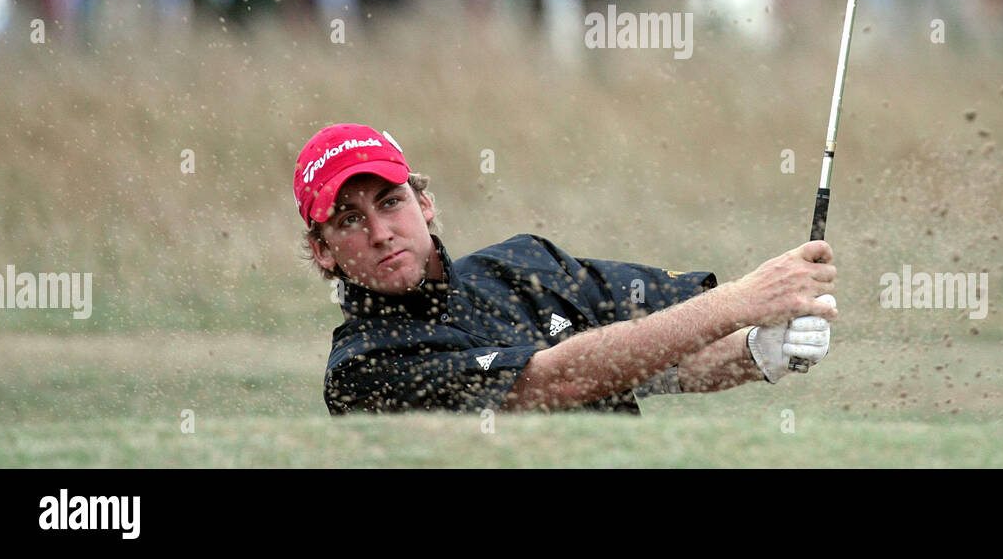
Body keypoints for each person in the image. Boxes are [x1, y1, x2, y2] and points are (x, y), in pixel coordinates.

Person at [293, 123, 838, 414]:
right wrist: (739, 302)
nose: (380, 232)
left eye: (390, 202)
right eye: (348, 221)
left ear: (423, 203)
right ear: (323, 251)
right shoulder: (362, 369)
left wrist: (760, 350)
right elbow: (555, 380)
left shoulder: (521, 265)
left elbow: (654, 353)